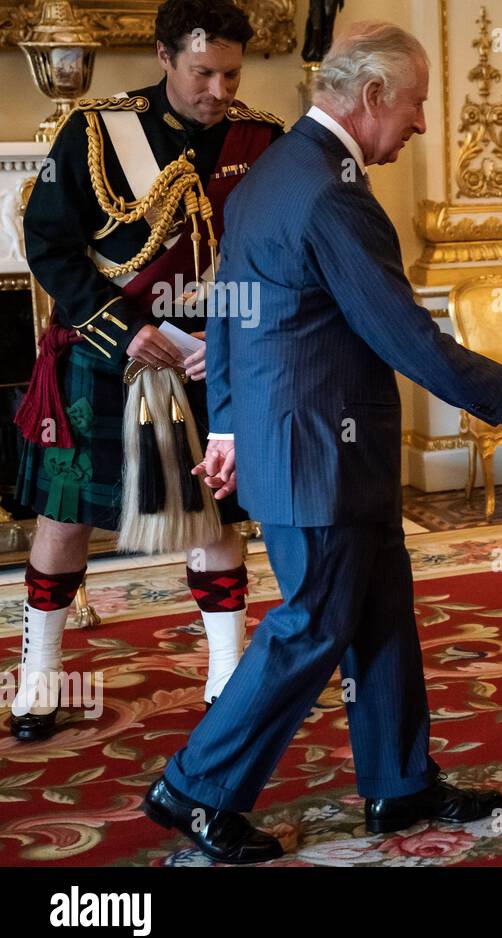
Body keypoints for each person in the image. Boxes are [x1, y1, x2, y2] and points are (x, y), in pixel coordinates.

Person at [142, 21, 502, 864]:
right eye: (416, 106)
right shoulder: (331, 193)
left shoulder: (271, 171)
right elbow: (403, 333)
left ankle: (398, 784)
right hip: (318, 459)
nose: (421, 124)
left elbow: (229, 313)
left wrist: (225, 422)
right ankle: (195, 786)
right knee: (312, 626)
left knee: (380, 622)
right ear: (372, 97)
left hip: (316, 448)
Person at [8, 0, 285, 741]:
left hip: (213, 358)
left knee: (217, 515)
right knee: (65, 518)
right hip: (109, 357)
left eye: (231, 73)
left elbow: (279, 254)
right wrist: (124, 333)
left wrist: (233, 340)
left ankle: (226, 674)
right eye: (202, 73)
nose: (219, 90)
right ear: (164, 57)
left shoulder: (263, 140)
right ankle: (40, 677)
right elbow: (52, 249)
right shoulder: (97, 132)